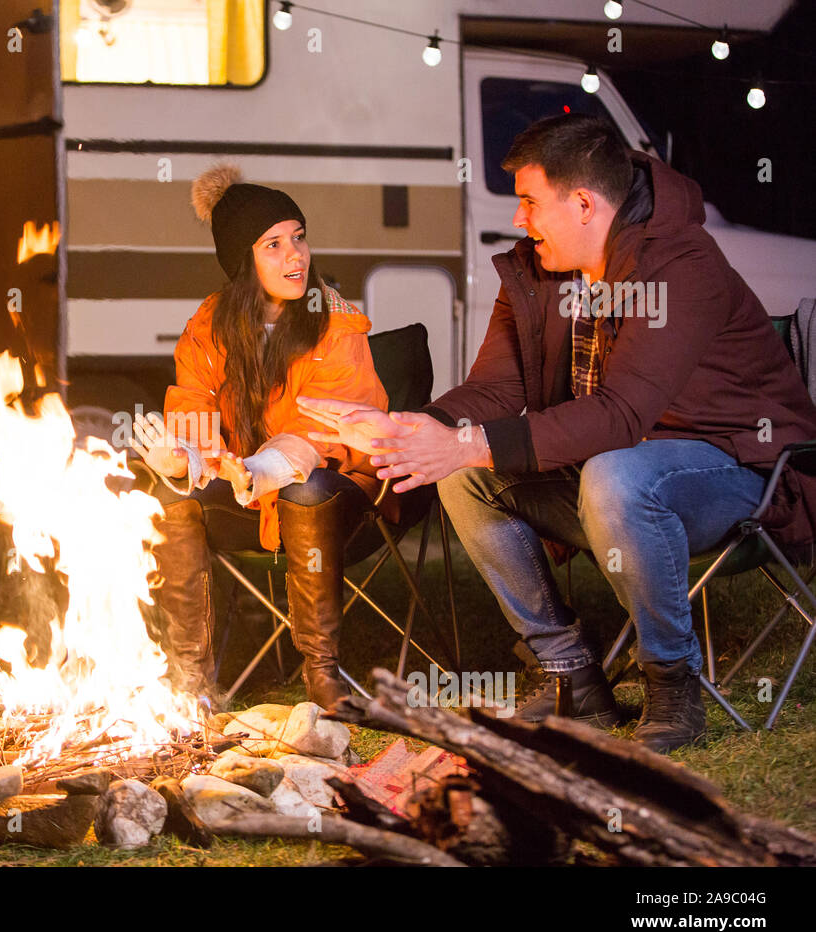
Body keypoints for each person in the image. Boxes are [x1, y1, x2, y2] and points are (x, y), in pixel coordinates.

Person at [299, 114, 816, 753]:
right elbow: (499, 390)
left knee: (611, 472)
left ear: (581, 204)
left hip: (742, 471)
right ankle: (570, 671)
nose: (519, 221)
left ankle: (672, 686)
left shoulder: (682, 263)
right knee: (466, 473)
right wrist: (417, 427)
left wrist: (467, 440)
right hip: (620, 471)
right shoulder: (538, 270)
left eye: (528, 202)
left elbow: (622, 414)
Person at [133, 165, 389, 709]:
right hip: (245, 488)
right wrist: (181, 459)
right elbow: (195, 406)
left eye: (298, 237)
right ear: (241, 261)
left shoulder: (334, 322)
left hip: (336, 494)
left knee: (306, 489)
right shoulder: (210, 324)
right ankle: (192, 684)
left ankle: (322, 676)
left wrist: (267, 467)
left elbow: (334, 425)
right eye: (272, 245)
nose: (294, 256)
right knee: (173, 501)